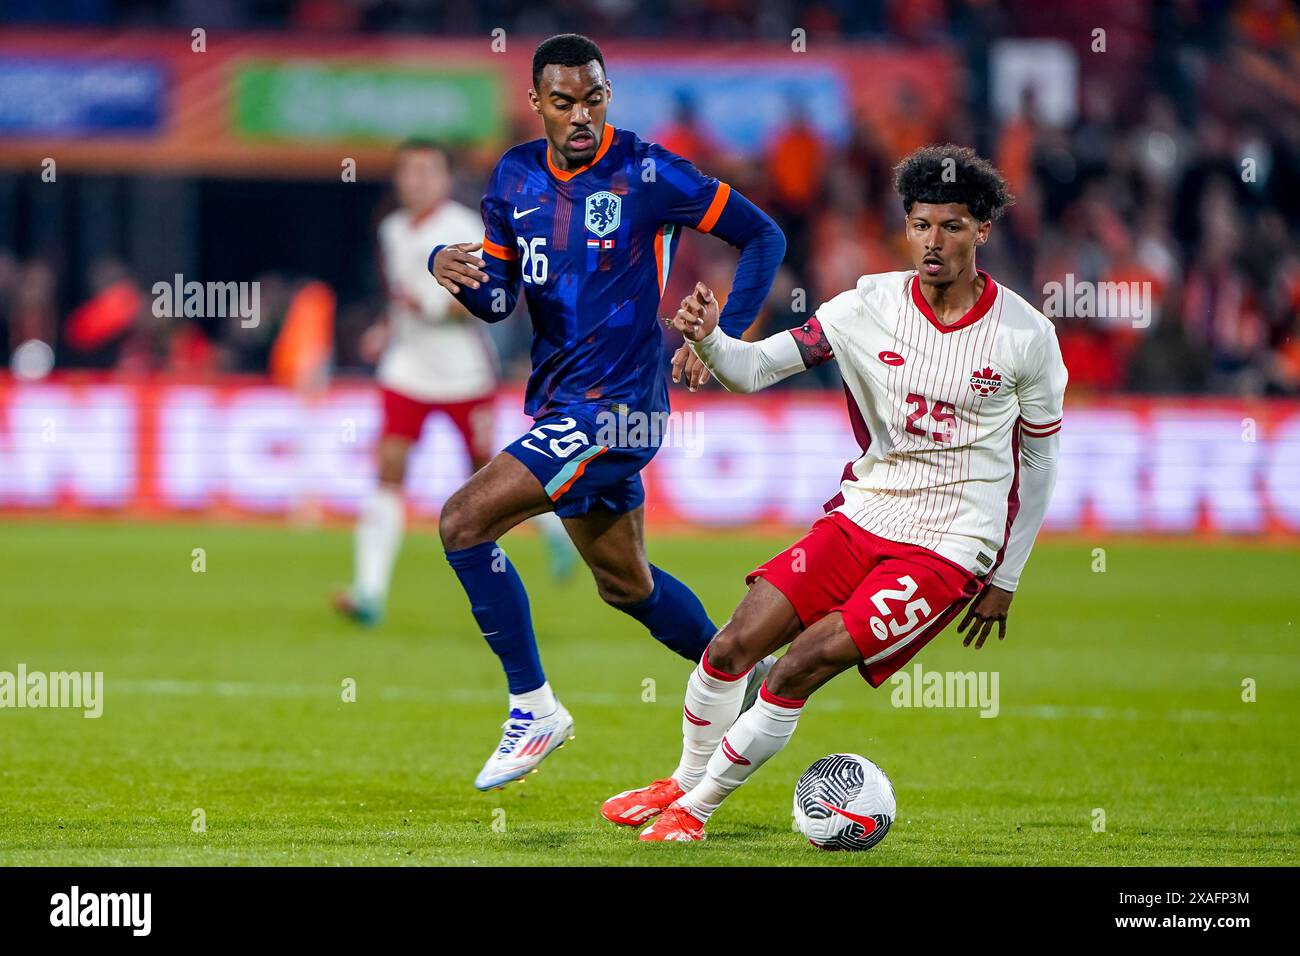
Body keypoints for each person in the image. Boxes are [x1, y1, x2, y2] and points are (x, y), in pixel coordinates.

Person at [602, 144, 1068, 841]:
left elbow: (1040, 461)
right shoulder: (867, 304)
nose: (932, 242)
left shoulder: (1026, 335)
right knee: (733, 644)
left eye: (950, 226)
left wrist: (1007, 575)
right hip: (864, 515)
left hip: (949, 544)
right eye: (920, 225)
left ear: (982, 231)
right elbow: (756, 369)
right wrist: (709, 341)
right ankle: (680, 777)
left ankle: (695, 811)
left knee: (800, 663)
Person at [428, 34, 786, 790]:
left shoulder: (646, 172)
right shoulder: (513, 176)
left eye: (594, 99)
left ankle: (533, 709)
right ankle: (747, 680)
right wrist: (447, 270)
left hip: (618, 410)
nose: (582, 114)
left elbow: (762, 234)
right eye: (564, 102)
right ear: (537, 103)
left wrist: (725, 331)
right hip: (560, 405)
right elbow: (498, 300)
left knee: (463, 521)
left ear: (606, 96)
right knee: (626, 584)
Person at [335, 139, 574, 626]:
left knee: (487, 482)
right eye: (409, 172)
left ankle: (553, 529)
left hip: (464, 374)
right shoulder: (392, 230)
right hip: (406, 371)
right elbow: (402, 298)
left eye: (427, 172)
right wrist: (387, 327)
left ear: (444, 180)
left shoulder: (464, 229)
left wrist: (426, 307)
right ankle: (369, 591)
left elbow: (482, 303)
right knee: (389, 468)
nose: (416, 181)